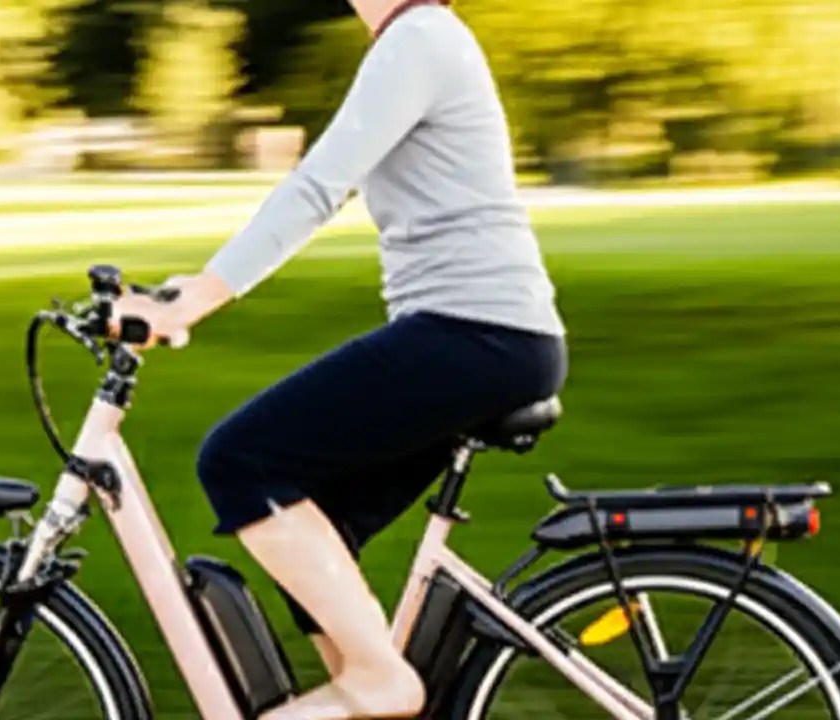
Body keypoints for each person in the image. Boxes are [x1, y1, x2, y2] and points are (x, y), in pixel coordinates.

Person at [111, 0, 567, 717]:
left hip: (477, 334)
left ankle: (379, 681)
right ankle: (372, 690)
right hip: (484, 338)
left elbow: (317, 187)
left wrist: (194, 300)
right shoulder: (417, 41)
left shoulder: (419, 39)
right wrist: (180, 290)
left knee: (240, 460)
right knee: (311, 523)